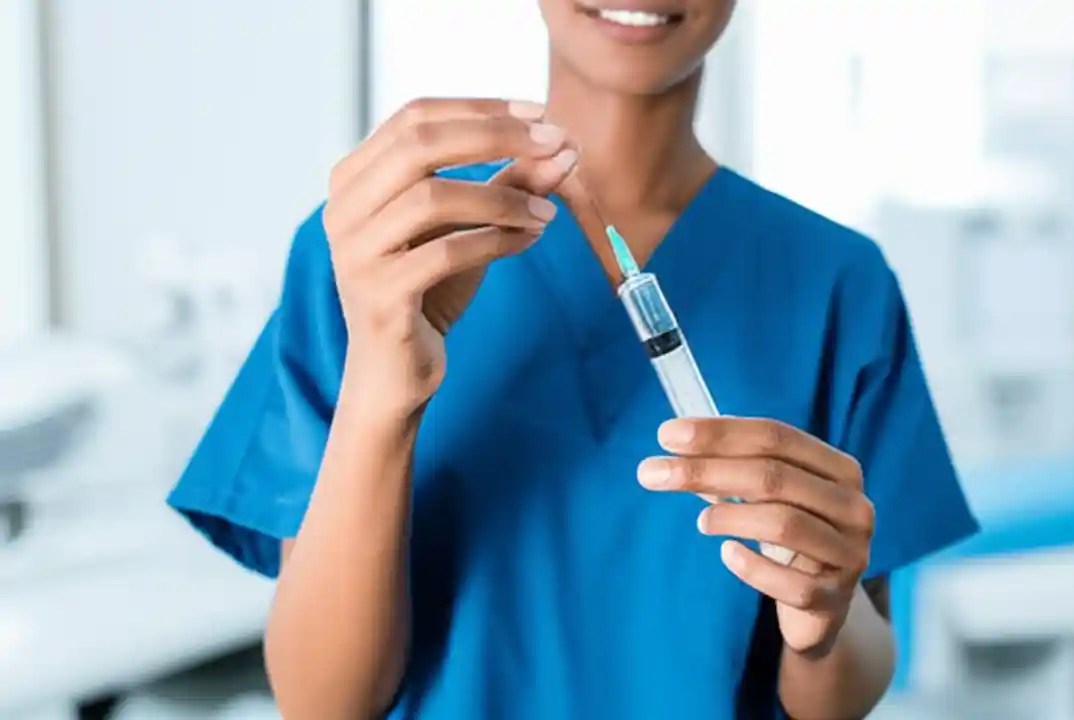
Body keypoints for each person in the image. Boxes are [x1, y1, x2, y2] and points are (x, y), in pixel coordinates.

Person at [167, 1, 978, 718]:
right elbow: (322, 704)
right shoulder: (377, 251)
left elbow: (847, 678)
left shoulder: (838, 282)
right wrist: (384, 382)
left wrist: (822, 622)